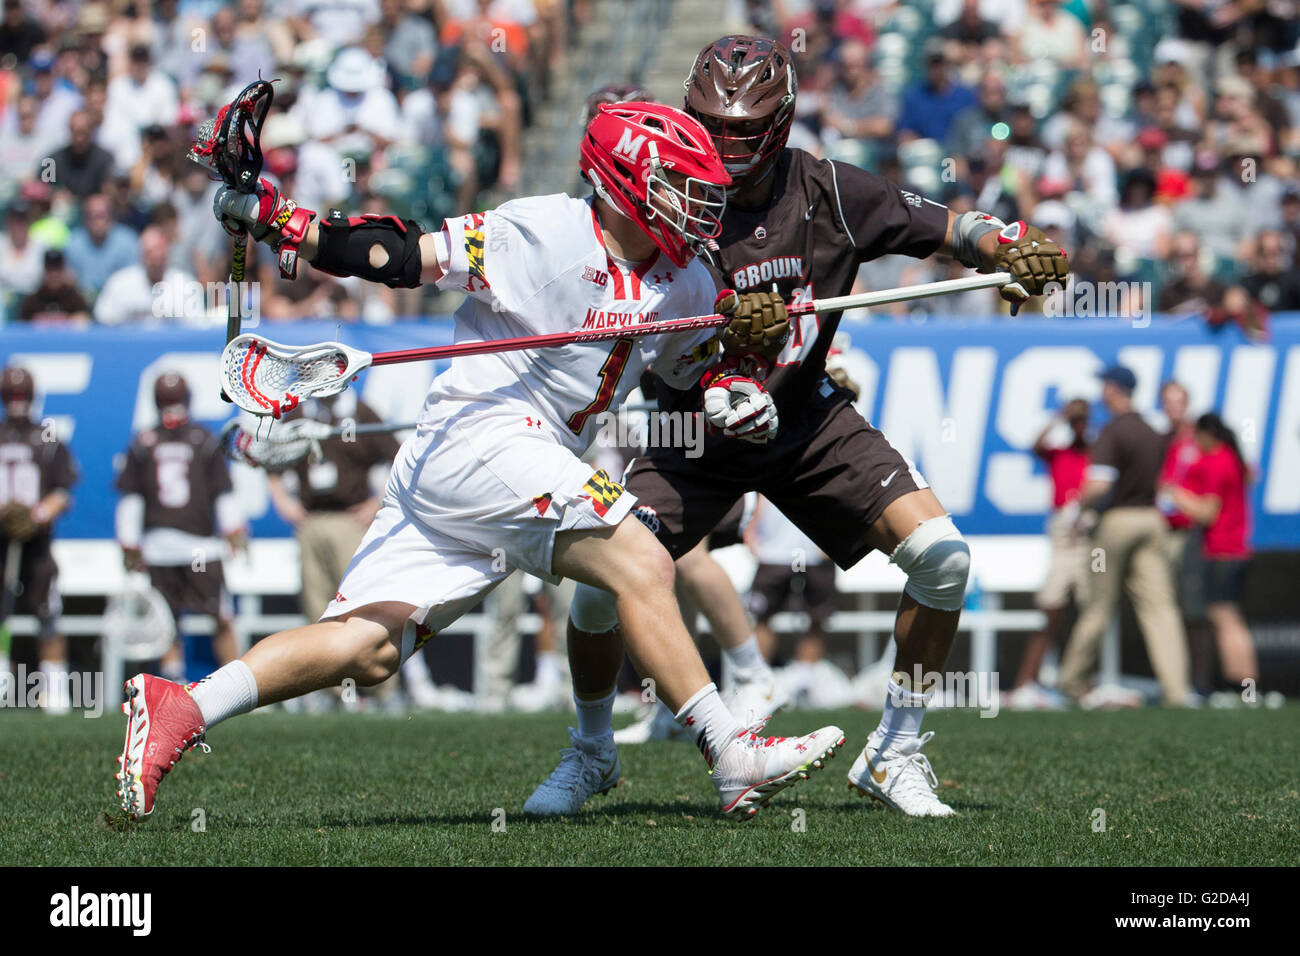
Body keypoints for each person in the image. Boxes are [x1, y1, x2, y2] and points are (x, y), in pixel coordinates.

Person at [115, 101, 845, 822]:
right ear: (626, 179)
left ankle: (183, 704)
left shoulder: (687, 279)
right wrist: (284, 221)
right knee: (642, 560)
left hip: (494, 462)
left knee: (364, 649)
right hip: (484, 436)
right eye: (680, 187)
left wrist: (735, 370)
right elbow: (403, 256)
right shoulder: (545, 231)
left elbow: (692, 371)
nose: (700, 207)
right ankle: (730, 752)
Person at [544, 35, 1069, 819]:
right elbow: (631, 323)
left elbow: (949, 228)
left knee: (944, 562)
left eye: (742, 132)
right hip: (695, 433)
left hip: (808, 423)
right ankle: (592, 751)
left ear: (781, 125)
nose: (720, 148)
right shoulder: (661, 194)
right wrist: (721, 331)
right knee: (593, 596)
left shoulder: (829, 191)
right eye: (708, 126)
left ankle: (895, 750)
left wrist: (1012, 244)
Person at [1057, 365, 1191, 707]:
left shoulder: (1113, 431)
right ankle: (1177, 690)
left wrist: (1078, 511)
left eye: (1104, 386)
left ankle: (1070, 683)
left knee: (1098, 605)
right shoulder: (1151, 430)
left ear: (1114, 390)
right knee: (1160, 608)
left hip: (1116, 524)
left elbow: (1099, 484)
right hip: (1151, 521)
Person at [115, 373, 246, 682]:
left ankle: (183, 683)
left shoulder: (145, 441)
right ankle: (231, 682)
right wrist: (233, 528)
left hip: (161, 545)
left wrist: (129, 542)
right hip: (198, 545)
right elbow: (222, 493)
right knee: (216, 616)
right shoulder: (202, 438)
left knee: (172, 621)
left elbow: (131, 500)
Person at [0, 366, 79, 711]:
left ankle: (55, 691)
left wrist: (36, 515)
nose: (17, 404)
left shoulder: (47, 437)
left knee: (47, 611)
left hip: (37, 544)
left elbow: (63, 491)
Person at [1165, 413, 1259, 701]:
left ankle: (1238, 687)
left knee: (1225, 619)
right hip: (1235, 549)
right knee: (1232, 618)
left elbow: (1207, 512)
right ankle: (1249, 691)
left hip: (1222, 550)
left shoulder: (1218, 462)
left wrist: (1173, 493)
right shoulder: (1231, 459)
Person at [1008, 398, 1090, 708]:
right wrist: (1059, 416)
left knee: (1089, 612)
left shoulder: (1095, 452)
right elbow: (1036, 445)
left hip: (1087, 532)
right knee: (1051, 606)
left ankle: (1082, 683)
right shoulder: (1061, 454)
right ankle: (1025, 682)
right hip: (1062, 531)